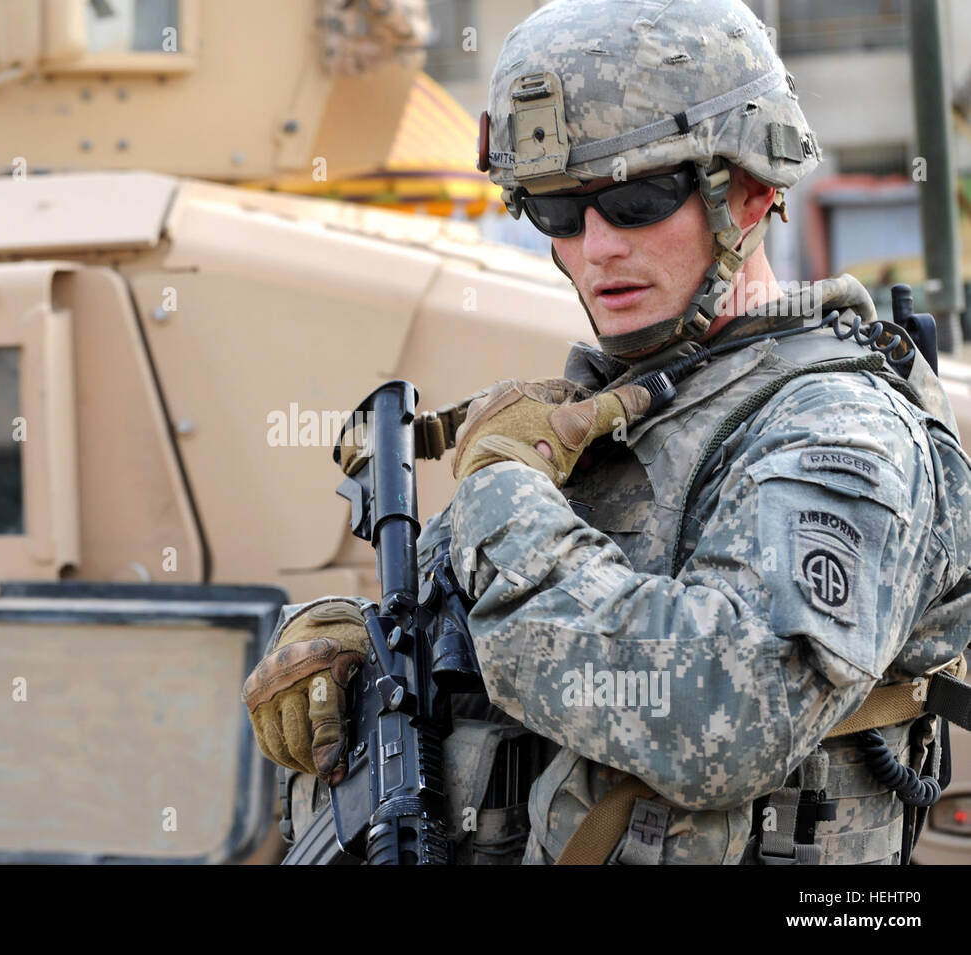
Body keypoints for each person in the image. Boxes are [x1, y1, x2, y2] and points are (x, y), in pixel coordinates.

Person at [242, 0, 971, 864]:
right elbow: (483, 606)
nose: (595, 249)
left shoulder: (841, 429)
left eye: (635, 198)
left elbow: (727, 712)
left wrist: (497, 491)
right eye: (556, 210)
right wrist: (350, 641)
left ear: (750, 187)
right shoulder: (621, 406)